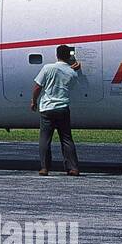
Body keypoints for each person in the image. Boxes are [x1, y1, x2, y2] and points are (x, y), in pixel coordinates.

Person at [30, 43, 83, 177]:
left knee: (45, 139)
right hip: (63, 108)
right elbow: (68, 81)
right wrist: (73, 68)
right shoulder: (72, 73)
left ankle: (44, 168)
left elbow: (37, 86)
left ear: (57, 55)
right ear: (69, 56)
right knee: (66, 139)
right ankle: (73, 168)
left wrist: (33, 101)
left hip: (47, 108)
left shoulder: (47, 68)